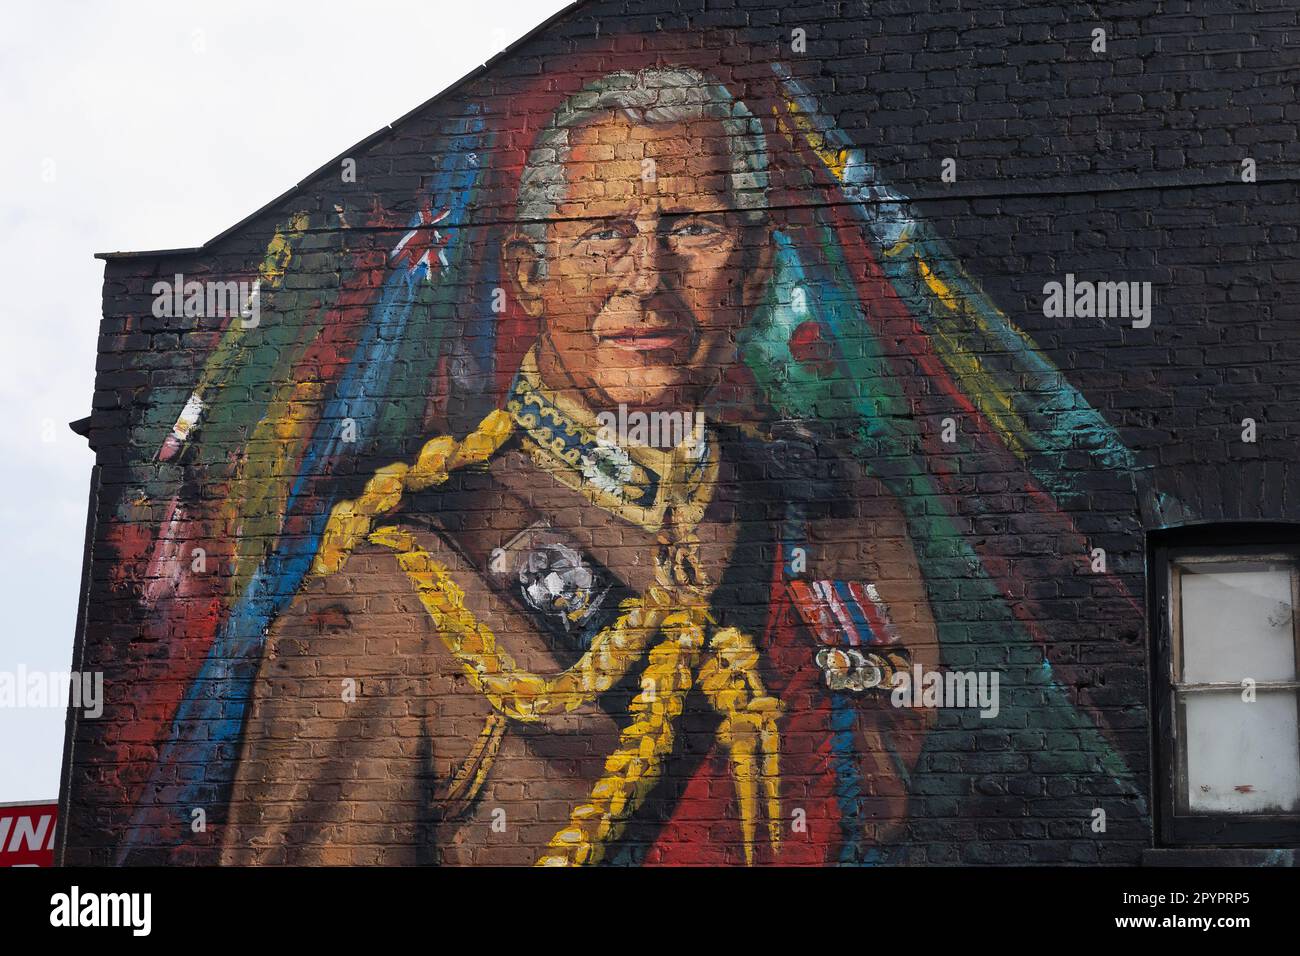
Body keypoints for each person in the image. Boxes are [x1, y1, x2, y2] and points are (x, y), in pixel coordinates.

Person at [220, 66, 939, 866]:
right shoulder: (390, 593)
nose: (647, 278)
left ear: (756, 272)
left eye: (692, 228)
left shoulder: (847, 524)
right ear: (529, 272)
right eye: (603, 232)